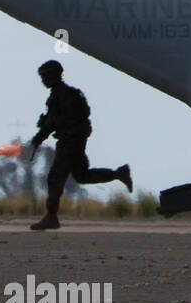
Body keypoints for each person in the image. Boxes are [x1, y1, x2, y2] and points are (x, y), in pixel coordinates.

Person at [27, 60, 131, 231]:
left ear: (53, 75)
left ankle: (51, 217)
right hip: (76, 140)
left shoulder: (60, 96)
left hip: (70, 141)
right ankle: (119, 173)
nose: (43, 80)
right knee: (82, 175)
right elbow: (57, 119)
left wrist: (38, 138)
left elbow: (53, 123)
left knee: (55, 177)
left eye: (45, 76)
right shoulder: (68, 93)